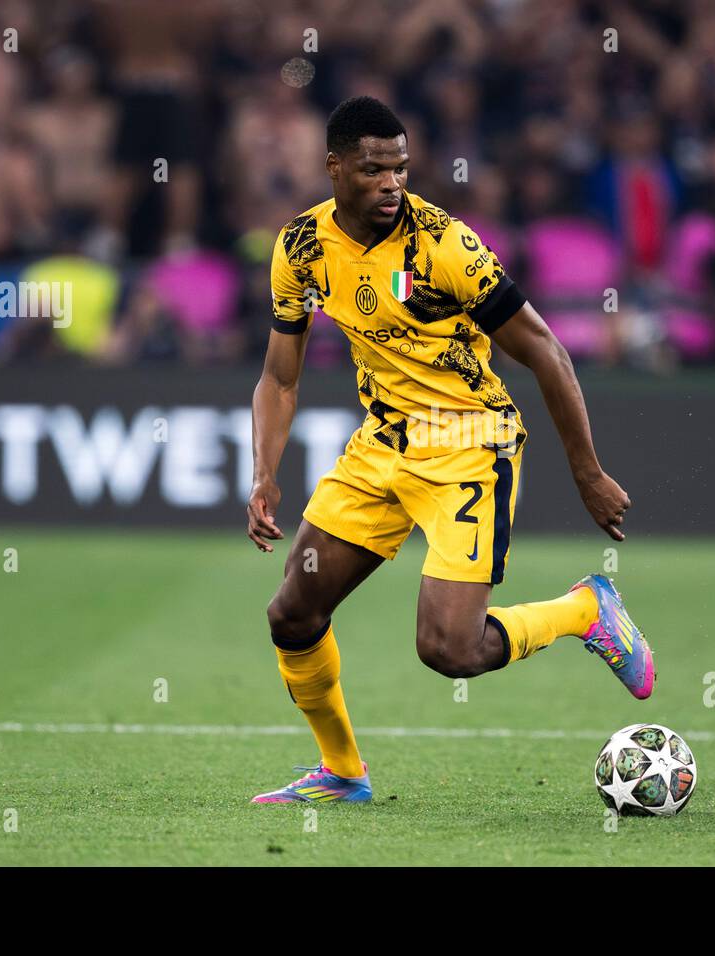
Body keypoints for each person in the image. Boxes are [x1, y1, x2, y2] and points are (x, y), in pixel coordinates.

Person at [248, 97, 651, 804]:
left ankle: (585, 611)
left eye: (400, 168)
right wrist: (263, 476)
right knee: (293, 612)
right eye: (372, 169)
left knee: (450, 652)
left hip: (469, 443)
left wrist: (587, 472)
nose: (390, 184)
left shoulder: (445, 247)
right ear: (334, 168)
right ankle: (343, 772)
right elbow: (280, 377)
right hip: (381, 444)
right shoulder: (302, 247)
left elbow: (546, 352)